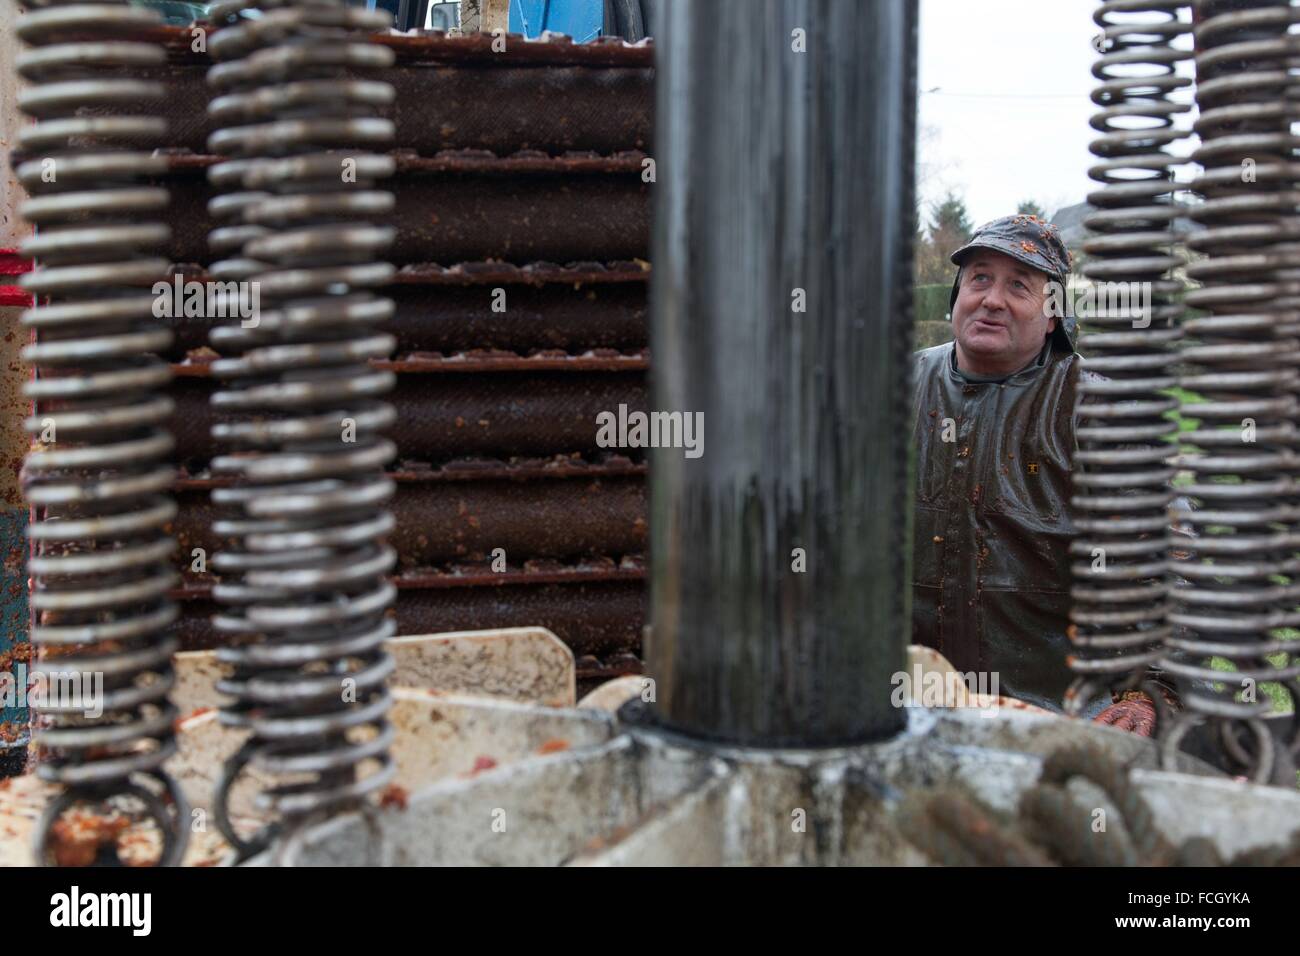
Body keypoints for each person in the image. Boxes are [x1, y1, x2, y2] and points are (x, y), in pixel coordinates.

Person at [911, 213, 1159, 732]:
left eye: (1018, 286)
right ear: (957, 295)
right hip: (908, 700)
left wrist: (1149, 690)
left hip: (1054, 712)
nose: (992, 299)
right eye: (979, 278)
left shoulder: (1096, 407)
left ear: (1051, 316)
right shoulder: (897, 384)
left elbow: (1163, 556)